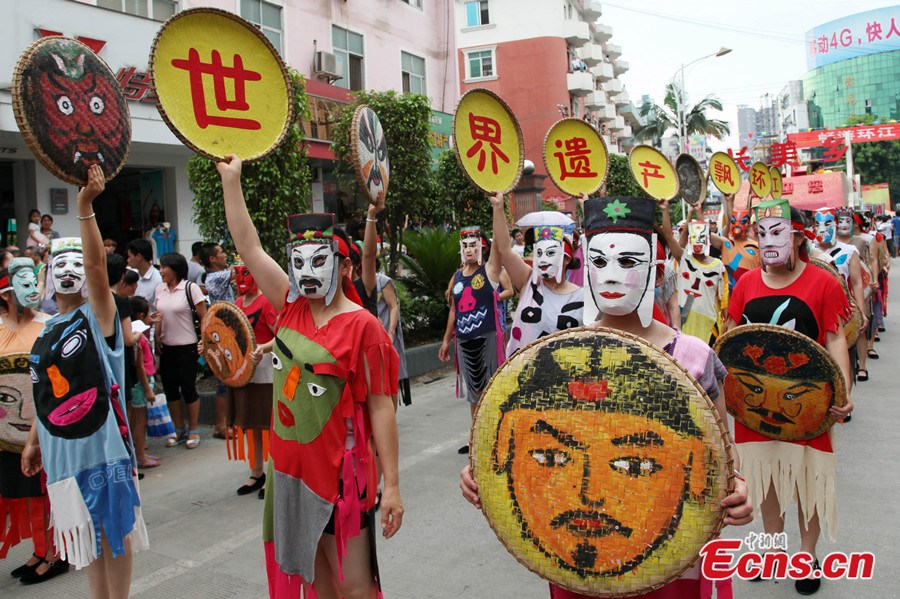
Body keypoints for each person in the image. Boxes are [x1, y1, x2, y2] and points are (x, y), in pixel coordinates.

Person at [461, 195, 752, 599]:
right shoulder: (555, 357)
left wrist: (736, 488)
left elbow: (725, 454)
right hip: (580, 572)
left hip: (671, 569)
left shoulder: (693, 358)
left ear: (656, 268)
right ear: (585, 267)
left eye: (628, 261)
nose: (611, 275)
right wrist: (485, 476)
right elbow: (519, 447)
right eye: (598, 262)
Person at [218, 154, 403, 598]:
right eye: (297, 261)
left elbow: (381, 406)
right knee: (316, 581)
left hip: (341, 472)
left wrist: (391, 484)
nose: (305, 271)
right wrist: (231, 182)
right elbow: (250, 247)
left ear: (343, 266)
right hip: (289, 470)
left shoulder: (365, 327)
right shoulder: (290, 306)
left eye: (317, 260)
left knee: (353, 586)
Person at [21, 166, 148, 597]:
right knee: (86, 543)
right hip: (61, 455)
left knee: (114, 533)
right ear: (49, 272)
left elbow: (96, 266)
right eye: (61, 262)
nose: (72, 269)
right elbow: (44, 392)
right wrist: (34, 441)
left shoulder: (98, 317)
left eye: (78, 262)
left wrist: (84, 207)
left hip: (103, 450)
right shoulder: (45, 329)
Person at [725, 199, 853, 596]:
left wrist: (844, 390)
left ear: (798, 236)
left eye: (777, 232)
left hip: (807, 400)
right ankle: (773, 548)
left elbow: (833, 337)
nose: (767, 241)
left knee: (806, 482)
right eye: (761, 233)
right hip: (755, 403)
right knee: (766, 481)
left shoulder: (823, 282)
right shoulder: (746, 283)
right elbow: (732, 335)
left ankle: (808, 555)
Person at [0, 260, 65, 585]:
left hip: (42, 430)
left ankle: (54, 554)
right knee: (22, 494)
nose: (33, 289)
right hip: (5, 434)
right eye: (21, 281)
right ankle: (40, 551)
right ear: (6, 290)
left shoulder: (49, 325)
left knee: (44, 494)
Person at [439, 226, 507, 454]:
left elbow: (500, 247)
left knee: (491, 389)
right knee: (473, 392)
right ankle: (477, 438)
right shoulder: (457, 277)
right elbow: (453, 310)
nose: (469, 249)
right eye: (465, 245)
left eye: (473, 244)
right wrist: (446, 339)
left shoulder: (489, 271)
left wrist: (498, 208)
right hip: (464, 340)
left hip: (487, 337)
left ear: (482, 247)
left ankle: (497, 437)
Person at [489, 192, 583, 356]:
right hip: (521, 373)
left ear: (566, 259)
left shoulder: (582, 297)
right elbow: (504, 249)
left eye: (550, 253)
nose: (543, 259)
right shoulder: (529, 281)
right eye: (539, 253)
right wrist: (498, 208)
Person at [228, 259, 277, 499]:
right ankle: (256, 471)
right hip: (244, 372)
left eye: (246, 273)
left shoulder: (267, 302)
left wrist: (264, 349)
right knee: (251, 426)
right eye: (237, 273)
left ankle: (274, 473)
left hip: (267, 372)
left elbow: (285, 334)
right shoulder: (236, 304)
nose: (240, 278)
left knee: (270, 425)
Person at [154, 252, 207, 450]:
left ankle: (193, 429)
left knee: (188, 388)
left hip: (188, 347)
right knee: (170, 389)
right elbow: (159, 315)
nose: (161, 271)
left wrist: (204, 342)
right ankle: (178, 429)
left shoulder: (190, 288)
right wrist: (156, 337)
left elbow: (204, 317)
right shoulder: (160, 289)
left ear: (174, 268)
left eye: (164, 267)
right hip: (166, 347)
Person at [660, 203, 728, 343]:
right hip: (685, 321)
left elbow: (724, 300)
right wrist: (665, 209)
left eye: (702, 237)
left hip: (709, 324)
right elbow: (668, 235)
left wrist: (727, 324)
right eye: (694, 237)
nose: (698, 241)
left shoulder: (718, 266)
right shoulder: (684, 258)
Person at [200, 242, 235, 439]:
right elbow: (239, 271)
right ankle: (220, 425)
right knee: (224, 379)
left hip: (227, 331)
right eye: (221, 253)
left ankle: (228, 422)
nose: (224, 255)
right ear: (212, 259)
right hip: (221, 333)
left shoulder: (217, 276)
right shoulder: (214, 277)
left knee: (230, 378)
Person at [711, 194, 760, 292]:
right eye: (733, 222)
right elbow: (706, 233)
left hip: (749, 292)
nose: (737, 225)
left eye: (742, 222)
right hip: (728, 294)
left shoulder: (757, 247)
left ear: (748, 225)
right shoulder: (725, 243)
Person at [126, 238, 162, 305]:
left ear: (139, 257)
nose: (128, 260)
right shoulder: (131, 275)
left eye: (129, 257)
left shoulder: (159, 279)